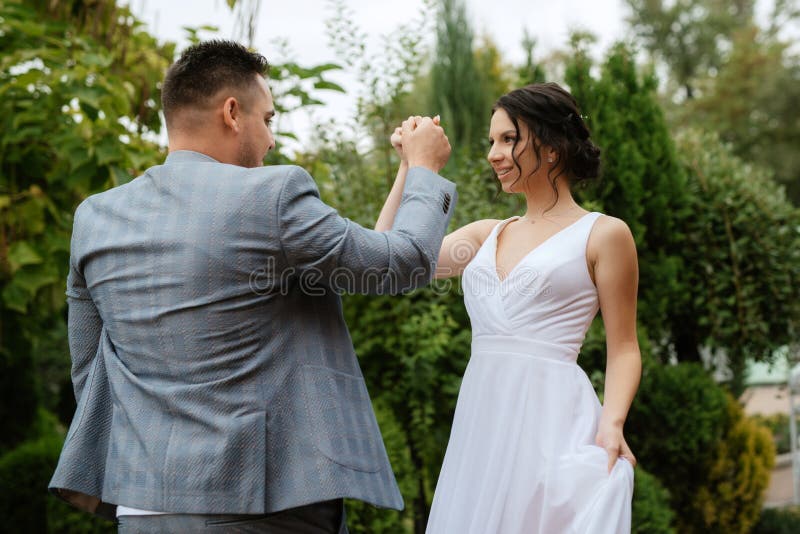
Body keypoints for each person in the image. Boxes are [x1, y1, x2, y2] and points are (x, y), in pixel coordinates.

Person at [49, 40, 456, 533]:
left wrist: (406, 169)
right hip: (262, 506)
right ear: (232, 112)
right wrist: (427, 169)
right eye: (268, 119)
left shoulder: (95, 217)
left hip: (144, 506)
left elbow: (88, 369)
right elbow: (404, 262)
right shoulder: (273, 196)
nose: (271, 141)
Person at [377, 83, 640, 533]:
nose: (494, 154)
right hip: (483, 424)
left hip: (555, 424)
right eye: (492, 141)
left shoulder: (605, 235)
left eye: (508, 139)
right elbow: (388, 262)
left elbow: (625, 347)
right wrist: (411, 166)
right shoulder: (485, 235)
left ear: (552, 147)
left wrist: (612, 423)